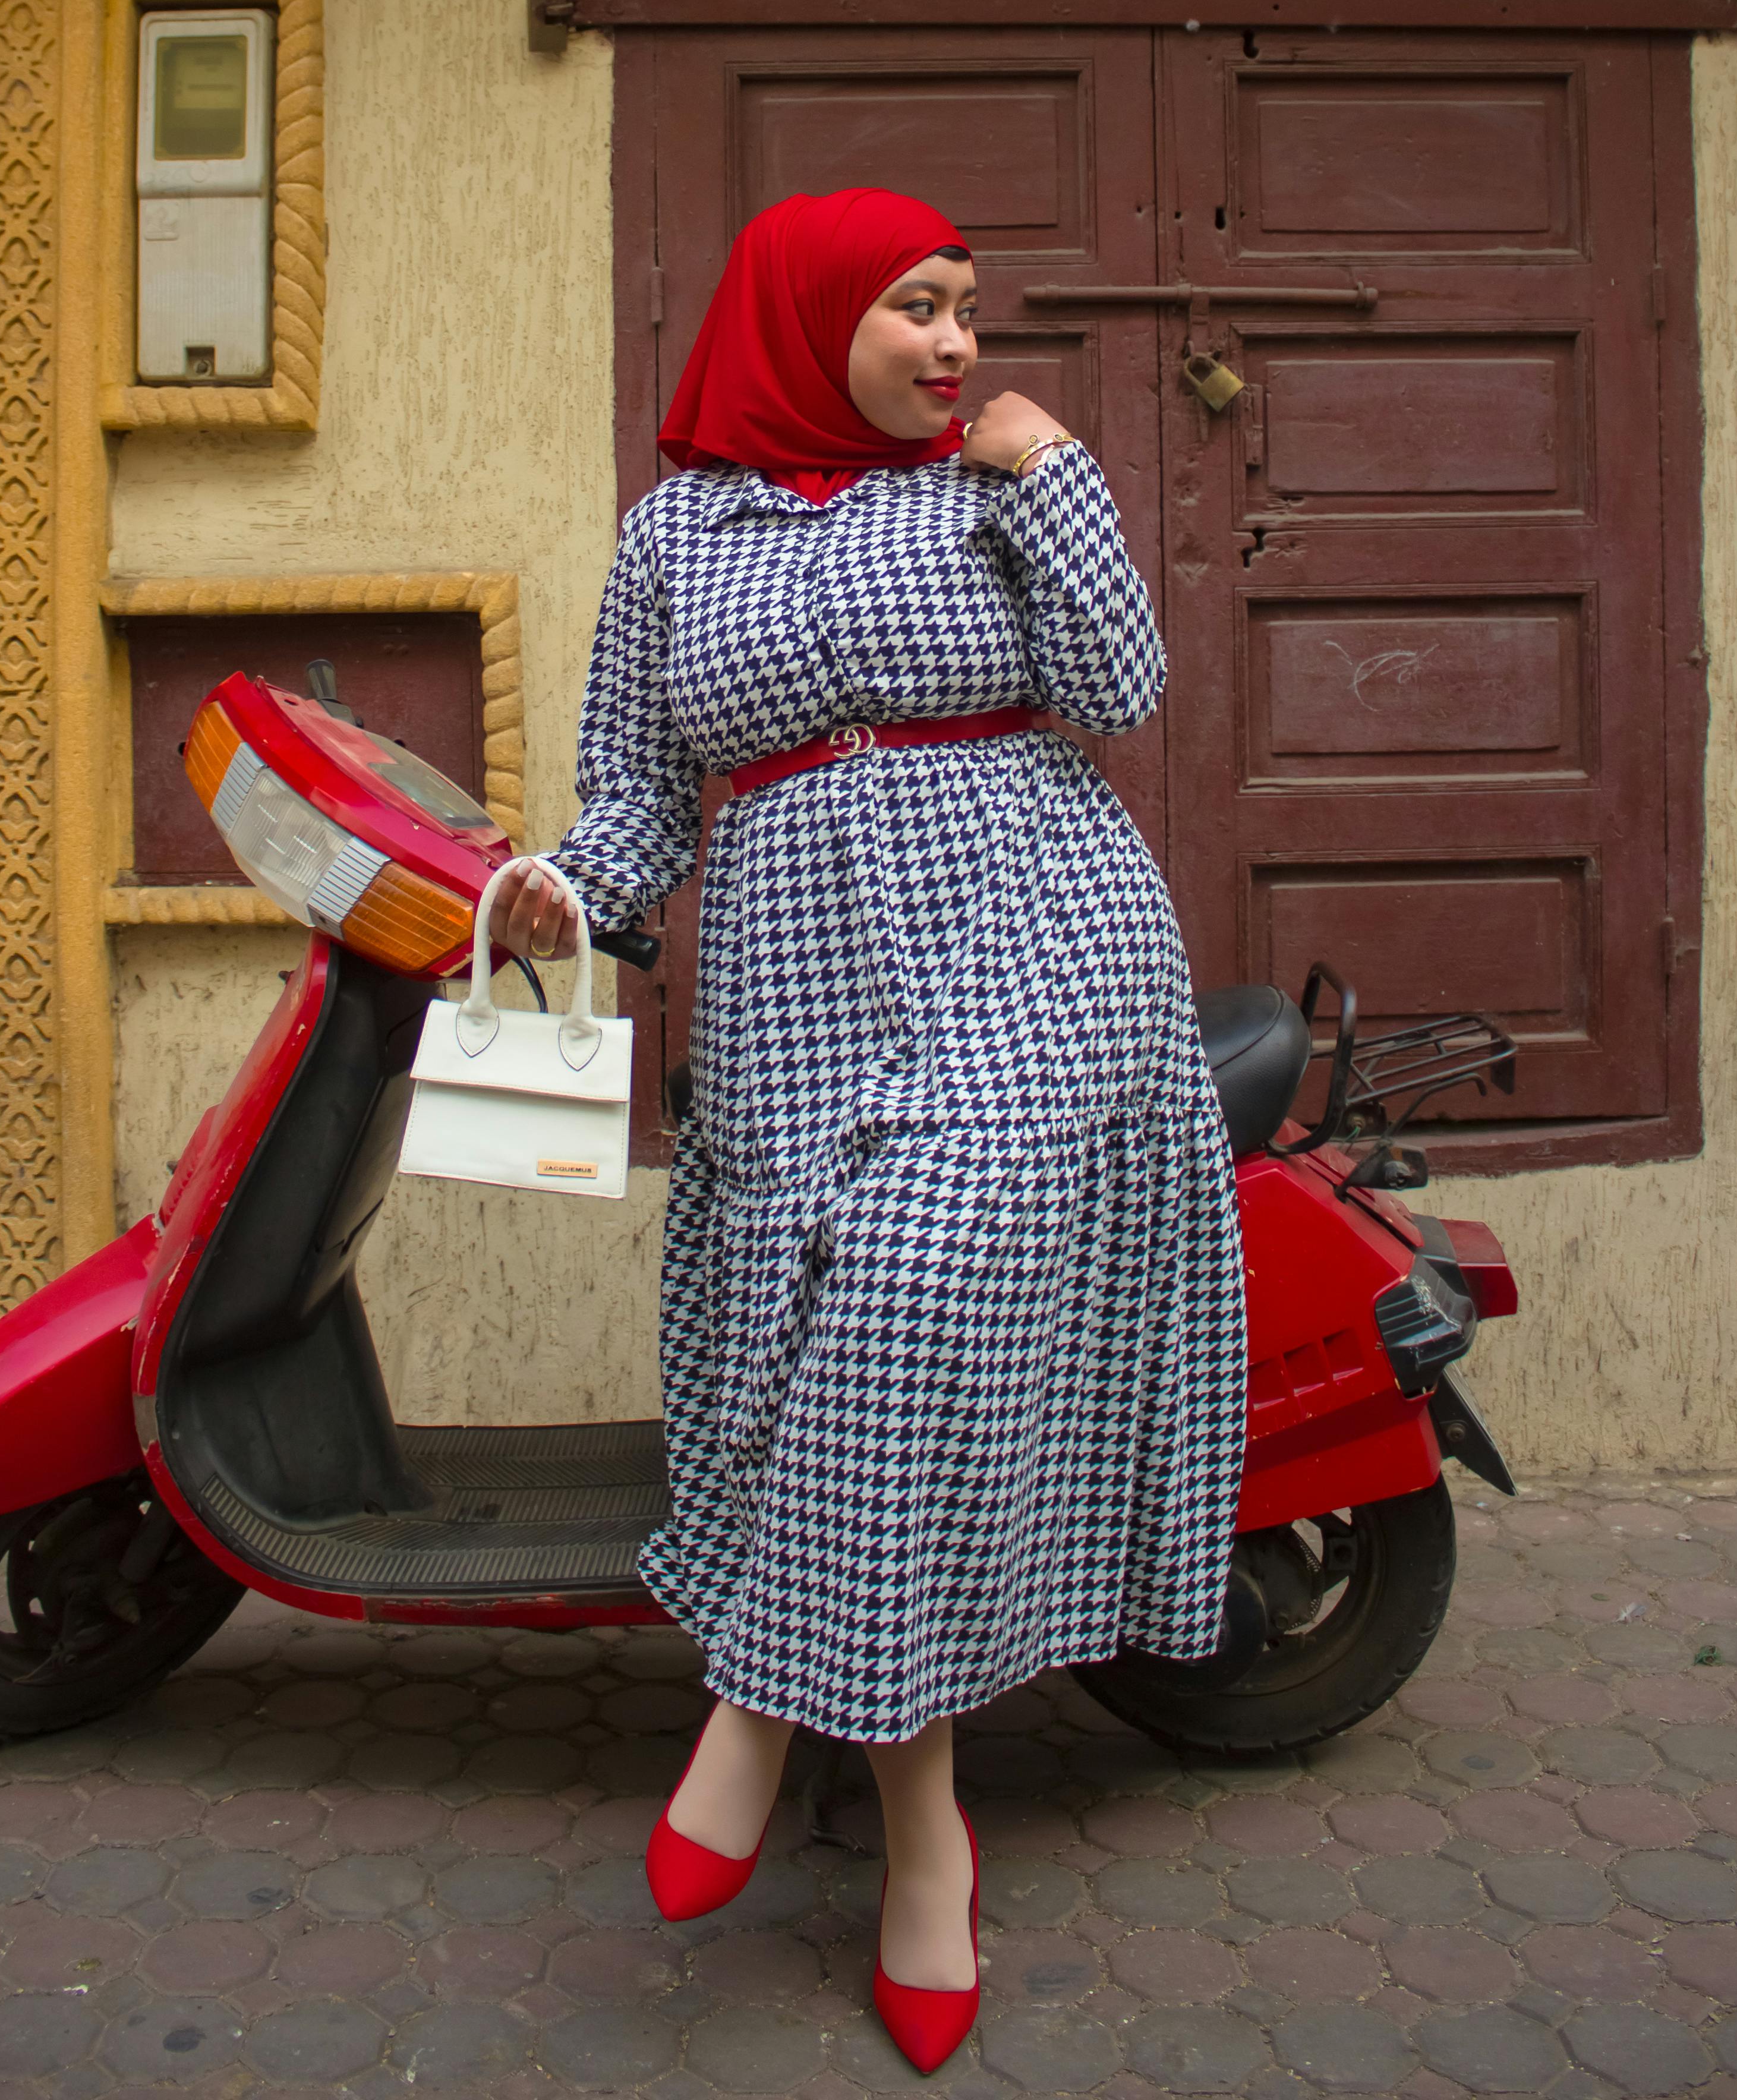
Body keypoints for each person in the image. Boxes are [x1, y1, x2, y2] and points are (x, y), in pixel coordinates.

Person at [487, 187, 1246, 2073]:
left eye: (967, 309)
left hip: (1035, 939)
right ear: (804, 316)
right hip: (790, 978)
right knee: (834, 1353)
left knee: (901, 1290)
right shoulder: (675, 536)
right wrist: (572, 895)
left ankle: (750, 1714)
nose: (957, 344)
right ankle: (927, 1844)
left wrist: (1056, 470)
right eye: (918, 306)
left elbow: (1122, 690)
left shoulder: (993, 485)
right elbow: (638, 789)